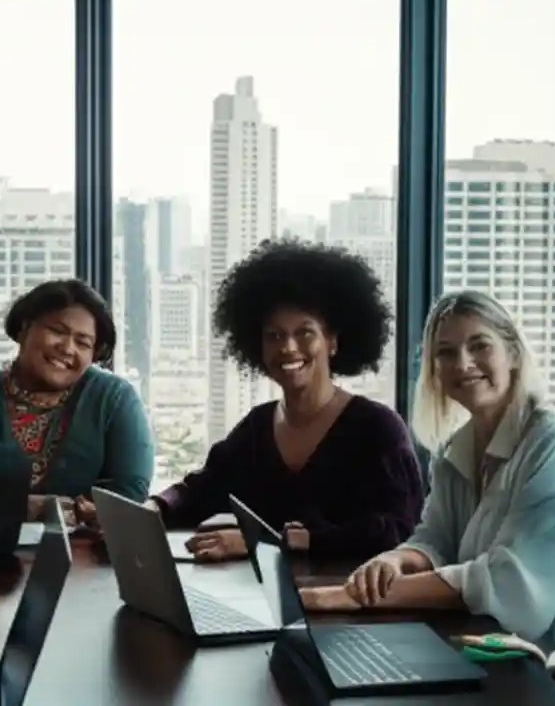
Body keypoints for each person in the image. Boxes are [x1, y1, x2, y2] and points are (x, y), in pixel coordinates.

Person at [311, 290, 555, 655]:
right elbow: (437, 540)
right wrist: (395, 560)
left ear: (513, 354)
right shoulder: (454, 449)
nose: (462, 364)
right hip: (483, 639)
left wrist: (358, 596)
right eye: (445, 353)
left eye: (479, 346)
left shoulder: (553, 442)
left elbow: (514, 587)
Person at [149, 238, 424, 560]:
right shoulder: (257, 428)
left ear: (332, 341)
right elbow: (201, 491)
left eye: (305, 332)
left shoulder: (376, 428)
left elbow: (399, 530)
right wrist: (154, 507)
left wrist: (272, 541)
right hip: (268, 602)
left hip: (354, 603)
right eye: (274, 335)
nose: (288, 348)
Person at [0, 279, 153, 525]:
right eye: (57, 331)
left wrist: (81, 513)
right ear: (24, 329)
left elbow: (131, 491)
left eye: (83, 343)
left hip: (88, 555)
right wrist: (18, 506)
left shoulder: (113, 398)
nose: (67, 348)